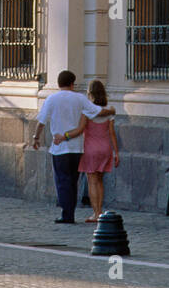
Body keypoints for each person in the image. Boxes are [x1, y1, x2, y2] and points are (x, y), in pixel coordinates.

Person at [31, 70, 115, 224]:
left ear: (58, 83)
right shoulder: (80, 98)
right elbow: (97, 111)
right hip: (77, 148)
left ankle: (67, 213)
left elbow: (41, 121)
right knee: (73, 181)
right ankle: (71, 210)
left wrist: (36, 138)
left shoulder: (51, 99)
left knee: (62, 180)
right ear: (72, 83)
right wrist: (111, 110)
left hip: (59, 147)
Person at [64, 79, 120, 222]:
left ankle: (96, 213)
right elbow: (112, 133)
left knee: (92, 181)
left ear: (90, 94)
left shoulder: (87, 111)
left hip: (91, 149)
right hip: (106, 148)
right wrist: (116, 153)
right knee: (100, 181)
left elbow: (81, 129)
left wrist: (65, 136)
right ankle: (100, 211)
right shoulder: (109, 110)